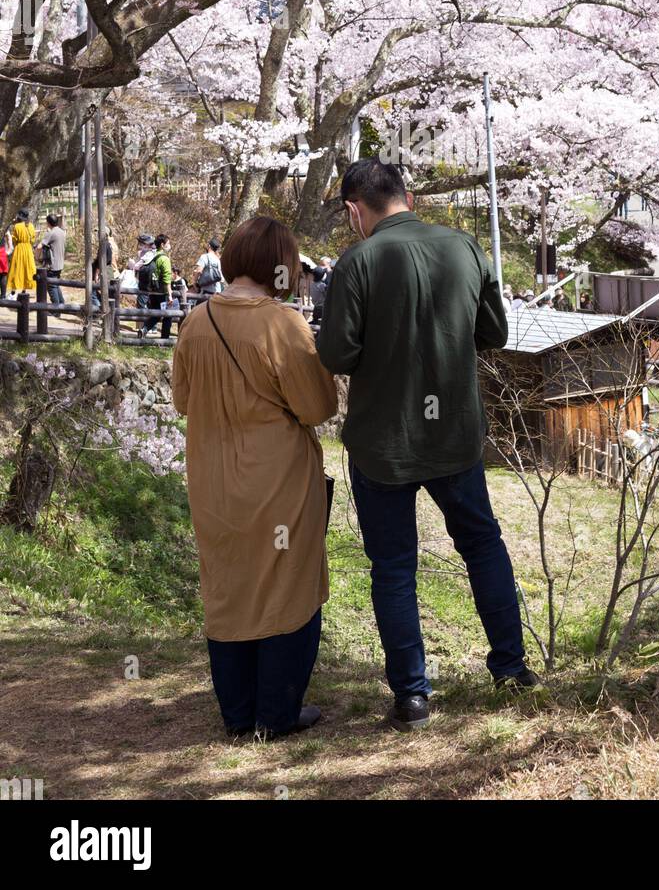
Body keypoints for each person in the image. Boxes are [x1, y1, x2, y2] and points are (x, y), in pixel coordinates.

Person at [317, 158, 534, 732]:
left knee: (393, 568)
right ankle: (511, 669)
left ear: (353, 209)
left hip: (382, 442)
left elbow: (337, 355)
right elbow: (495, 333)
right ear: (408, 197)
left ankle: (412, 696)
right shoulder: (463, 247)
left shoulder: (356, 261)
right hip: (453, 433)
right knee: (483, 546)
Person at [172, 216, 337, 740]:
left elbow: (182, 401)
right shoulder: (282, 323)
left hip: (213, 480)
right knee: (288, 589)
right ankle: (278, 713)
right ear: (280, 265)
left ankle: (238, 716)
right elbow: (317, 407)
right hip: (278, 480)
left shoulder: (196, 321)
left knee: (228, 588)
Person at [141, 234, 174, 340]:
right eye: (168, 243)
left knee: (156, 313)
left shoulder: (153, 255)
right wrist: (169, 294)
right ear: (163, 245)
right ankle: (165, 340)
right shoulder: (164, 258)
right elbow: (166, 278)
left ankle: (144, 329)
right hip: (162, 292)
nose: (170, 245)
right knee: (167, 315)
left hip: (152, 290)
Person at [7, 209, 37, 295]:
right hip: (28, 249)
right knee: (27, 268)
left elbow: (14, 239)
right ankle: (24, 289)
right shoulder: (31, 226)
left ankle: (13, 290)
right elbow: (33, 239)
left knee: (16, 268)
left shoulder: (17, 226)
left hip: (19, 249)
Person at [40, 214, 67, 306]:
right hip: (60, 263)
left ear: (48, 223)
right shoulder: (62, 231)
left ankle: (55, 309)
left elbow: (40, 246)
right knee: (55, 284)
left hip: (52, 264)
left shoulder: (51, 233)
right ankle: (61, 304)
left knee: (51, 286)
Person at [0, 235, 8, 301]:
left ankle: (3, 295)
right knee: (3, 274)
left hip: (2, 251)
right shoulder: (3, 228)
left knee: (3, 274)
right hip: (2, 251)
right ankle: (3, 295)